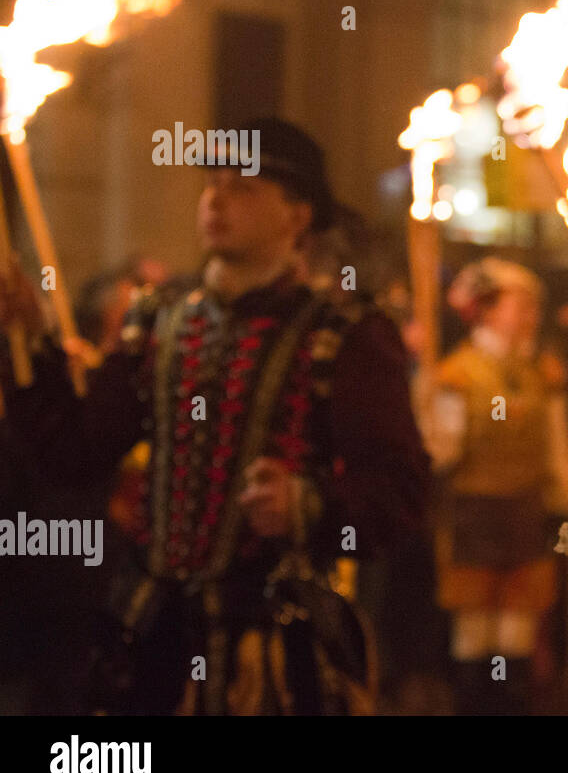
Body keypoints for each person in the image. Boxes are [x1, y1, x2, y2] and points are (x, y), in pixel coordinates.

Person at [0, 117, 434, 714]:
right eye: (213, 182)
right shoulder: (158, 318)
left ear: (297, 215)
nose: (217, 199)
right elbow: (73, 451)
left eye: (244, 186)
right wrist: (29, 345)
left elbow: (402, 490)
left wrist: (306, 502)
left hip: (274, 652)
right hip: (150, 640)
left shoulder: (347, 334)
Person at [416, 258, 568, 714]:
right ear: (487, 310)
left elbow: (555, 446)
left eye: (534, 306)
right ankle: (475, 703)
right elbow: (441, 451)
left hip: (524, 513)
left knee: (517, 627)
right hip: (473, 516)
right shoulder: (457, 375)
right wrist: (429, 411)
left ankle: (511, 702)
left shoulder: (542, 372)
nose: (531, 316)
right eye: (519, 305)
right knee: (474, 627)